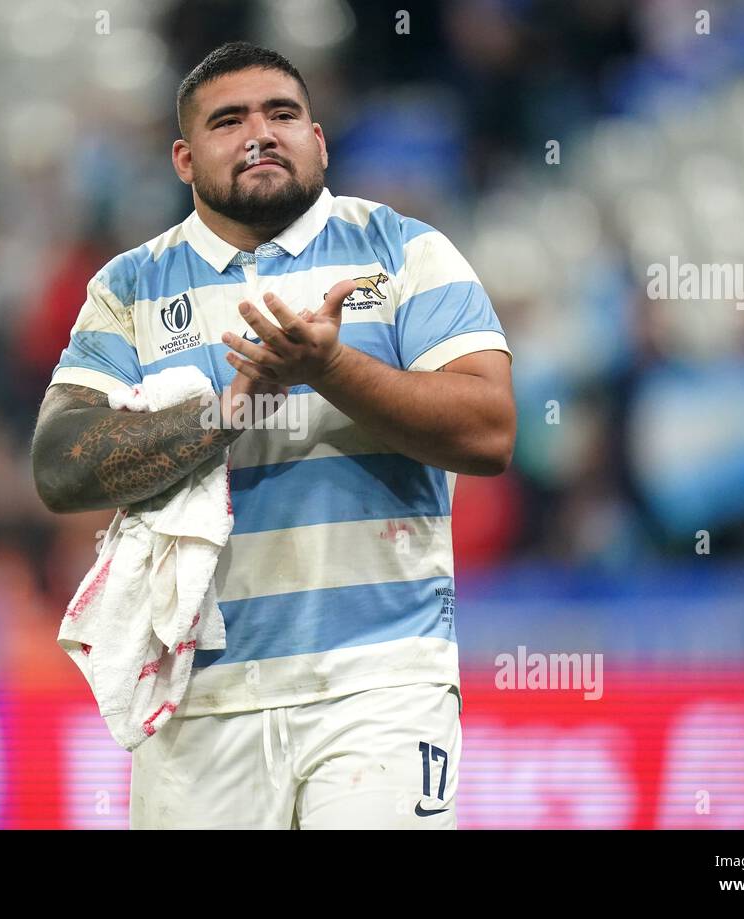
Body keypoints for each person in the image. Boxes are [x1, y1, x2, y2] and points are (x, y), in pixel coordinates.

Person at [30, 41, 515, 829]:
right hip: (199, 698)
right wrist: (227, 411)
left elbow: (490, 430)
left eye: (282, 114)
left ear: (318, 140)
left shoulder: (407, 251)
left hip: (380, 680)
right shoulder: (128, 287)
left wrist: (329, 368)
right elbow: (60, 466)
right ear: (185, 159)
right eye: (229, 121)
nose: (260, 133)